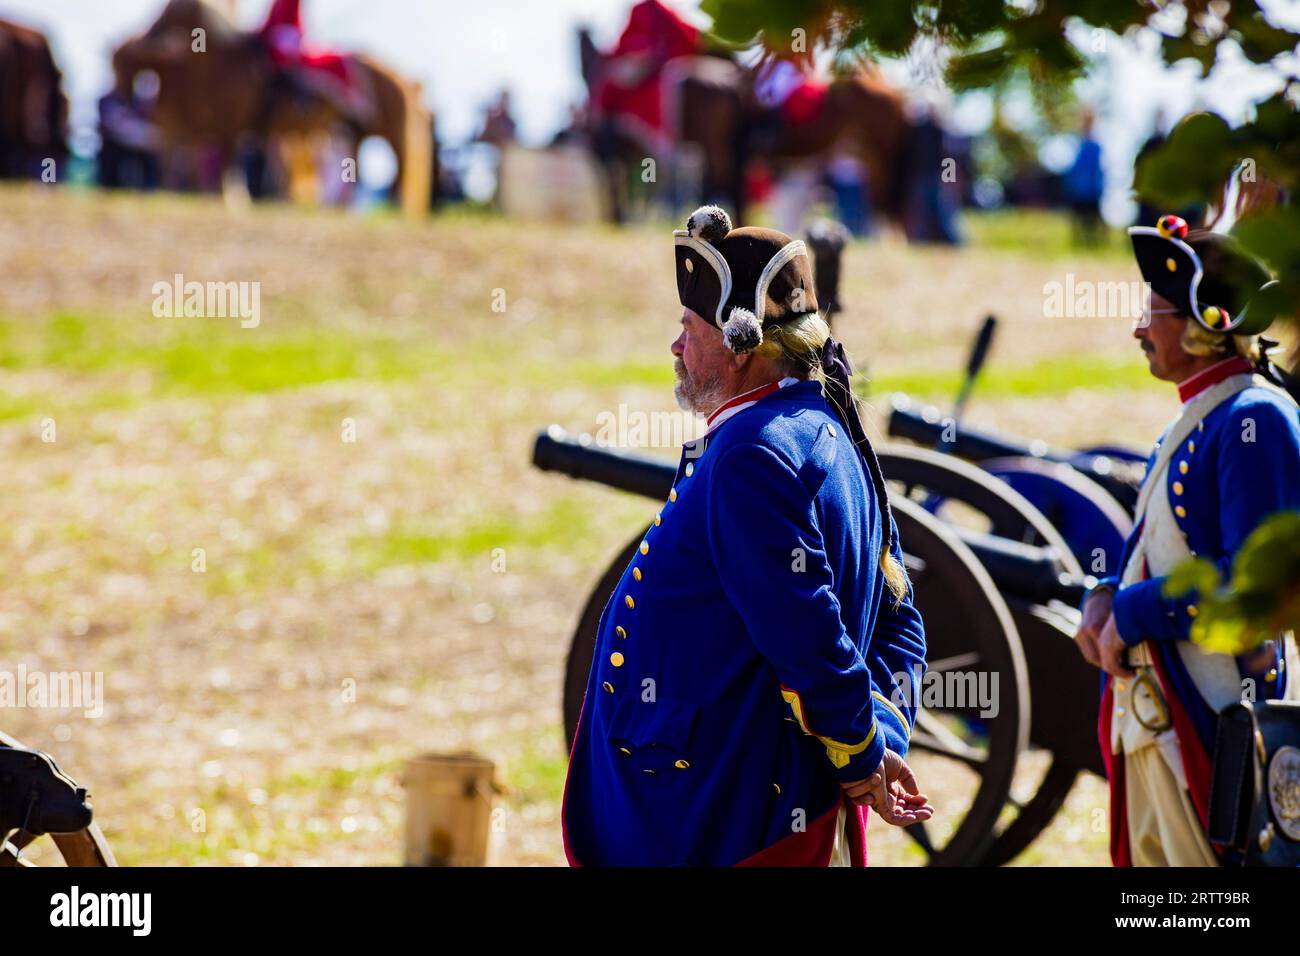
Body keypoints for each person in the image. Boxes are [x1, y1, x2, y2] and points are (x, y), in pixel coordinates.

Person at [561, 205, 932, 866]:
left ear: (737, 345)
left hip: (724, 816)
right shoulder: (818, 426)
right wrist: (883, 734)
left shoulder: (751, 455)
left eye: (688, 328)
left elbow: (809, 635)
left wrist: (862, 751)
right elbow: (899, 622)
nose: (676, 347)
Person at [1074, 212, 1300, 866]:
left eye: (1157, 312)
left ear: (1207, 325)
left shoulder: (1252, 418)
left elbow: (1257, 592)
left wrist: (1134, 611)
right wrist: (1105, 595)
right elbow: (1161, 554)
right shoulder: (1202, 415)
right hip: (1165, 715)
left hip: (1216, 721)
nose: (1140, 328)